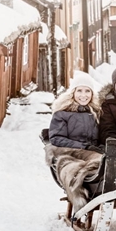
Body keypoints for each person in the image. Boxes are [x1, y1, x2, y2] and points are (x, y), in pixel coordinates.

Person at [44, 71, 104, 215]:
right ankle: (79, 195)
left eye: (87, 91)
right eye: (79, 91)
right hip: (70, 151)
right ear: (73, 93)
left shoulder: (95, 112)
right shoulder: (62, 113)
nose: (83, 95)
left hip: (91, 151)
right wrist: (83, 146)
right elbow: (56, 138)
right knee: (94, 161)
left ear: (92, 94)